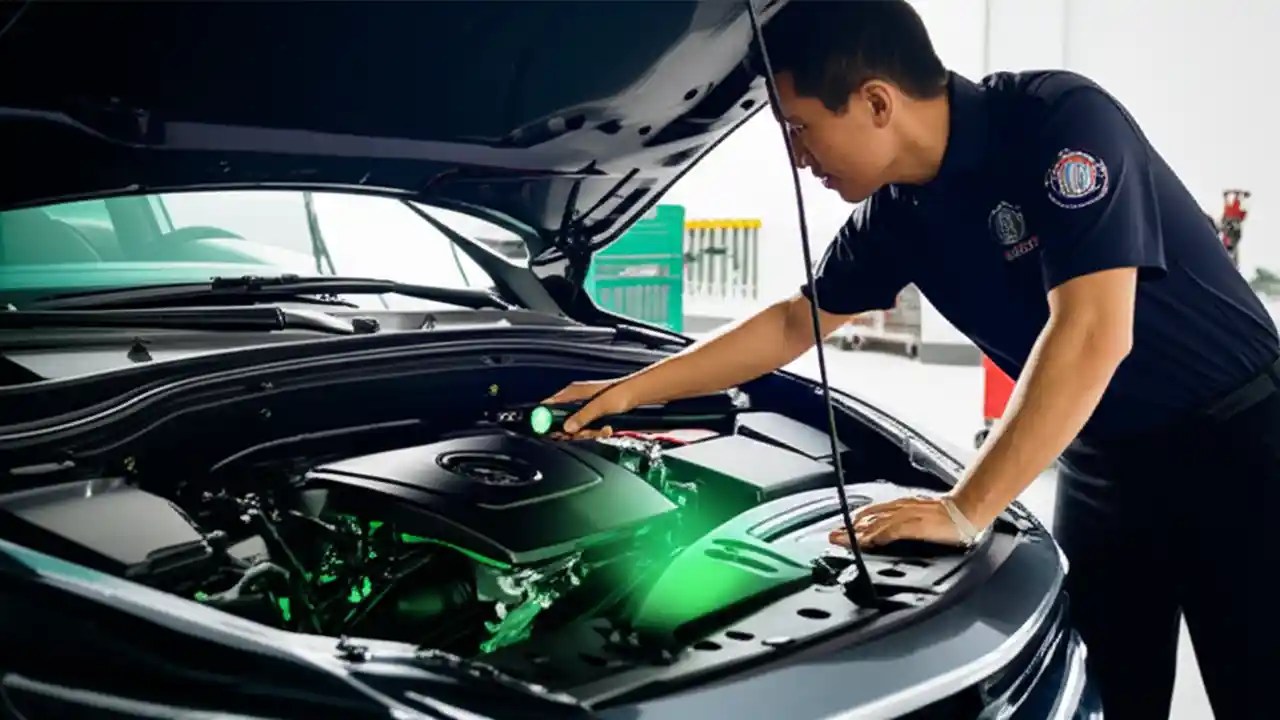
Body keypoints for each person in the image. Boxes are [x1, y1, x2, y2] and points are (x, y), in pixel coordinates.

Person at [544, 1, 1274, 717]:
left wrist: (966, 507)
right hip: (1101, 462)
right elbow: (797, 319)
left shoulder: (1059, 122)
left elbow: (1093, 333)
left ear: (876, 103)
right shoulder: (898, 216)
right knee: (1106, 691)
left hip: (1241, 448)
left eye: (802, 129)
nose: (800, 160)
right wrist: (632, 391)